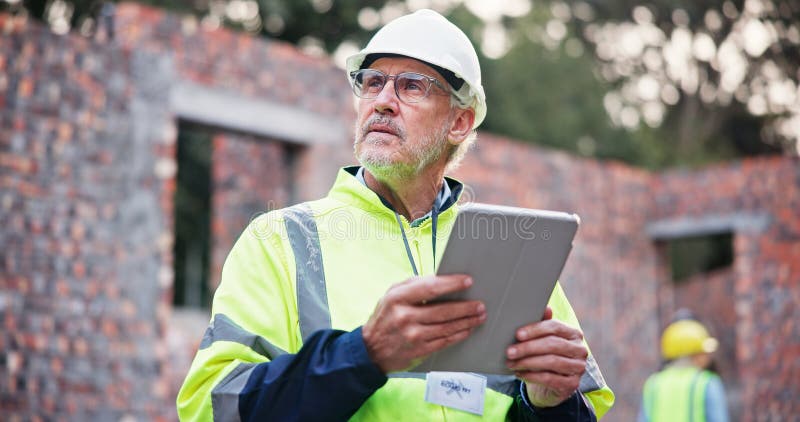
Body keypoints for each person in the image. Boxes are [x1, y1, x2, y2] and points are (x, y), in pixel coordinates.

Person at [177, 9, 614, 421]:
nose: (382, 101)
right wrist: (363, 354)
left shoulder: (515, 251)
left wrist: (548, 402)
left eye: (411, 86)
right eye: (372, 82)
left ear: (459, 123)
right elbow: (212, 407)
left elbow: (578, 408)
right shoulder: (279, 240)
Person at [638, 319, 729, 422]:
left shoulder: (653, 384)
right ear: (691, 353)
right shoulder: (706, 383)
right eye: (702, 352)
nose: (708, 357)